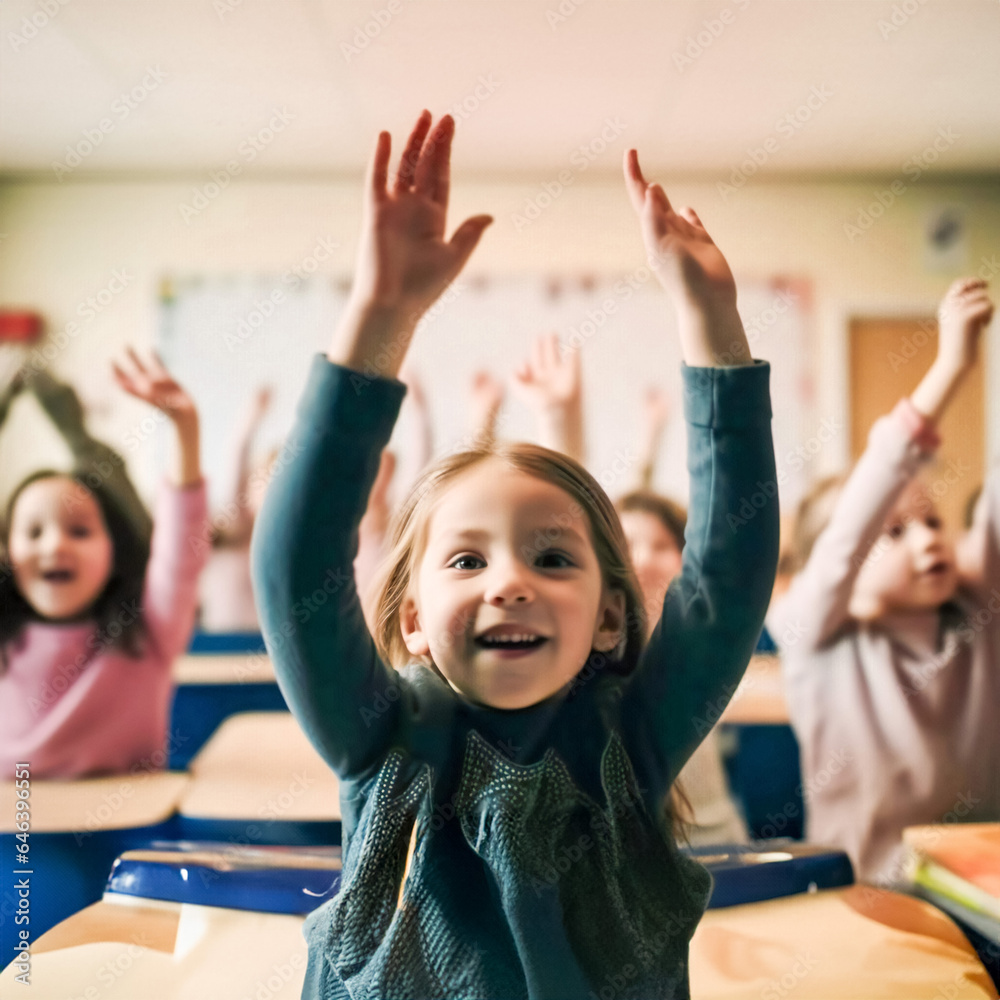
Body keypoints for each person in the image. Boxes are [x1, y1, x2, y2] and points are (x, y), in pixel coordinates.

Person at [251, 111, 777, 998]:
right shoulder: (381, 735)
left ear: (611, 614)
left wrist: (711, 324)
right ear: (411, 619)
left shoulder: (633, 737)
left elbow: (726, 570)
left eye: (554, 560)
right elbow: (295, 566)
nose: (511, 585)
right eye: (465, 562)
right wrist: (379, 316)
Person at [768, 277, 998, 884]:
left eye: (931, 519)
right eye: (892, 533)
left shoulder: (979, 605)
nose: (928, 539)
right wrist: (949, 368)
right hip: (869, 893)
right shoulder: (812, 634)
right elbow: (855, 519)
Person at [0, 350, 208, 778]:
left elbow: (180, 554)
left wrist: (185, 430)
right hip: (16, 839)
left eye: (79, 531)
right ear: (6, 554)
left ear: (115, 549)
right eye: (34, 532)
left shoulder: (149, 629)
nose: (55, 544)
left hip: (126, 838)